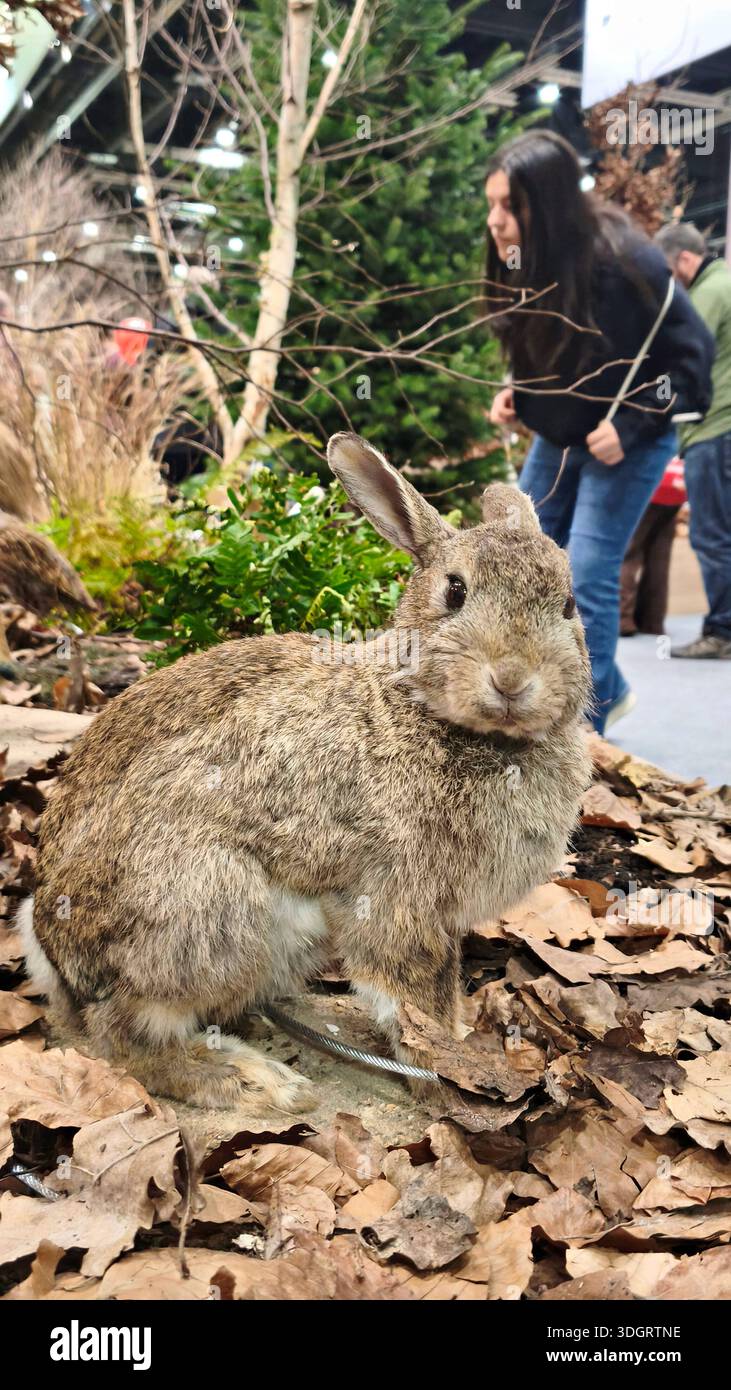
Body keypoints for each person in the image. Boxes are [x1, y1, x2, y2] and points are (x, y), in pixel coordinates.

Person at [485, 131, 714, 733]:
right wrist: (521, 393)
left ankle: (588, 733)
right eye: (492, 205)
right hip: (559, 438)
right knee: (513, 557)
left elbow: (691, 362)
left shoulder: (629, 264)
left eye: (510, 207)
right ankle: (600, 689)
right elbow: (538, 339)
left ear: (549, 205)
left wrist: (636, 422)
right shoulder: (524, 255)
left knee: (584, 573)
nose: (495, 222)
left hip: (627, 443)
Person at [655, 222, 731, 660]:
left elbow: (679, 351)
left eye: (668, 269)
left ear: (684, 259)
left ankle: (721, 629)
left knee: (710, 534)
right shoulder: (721, 284)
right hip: (716, 431)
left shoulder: (708, 293)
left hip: (713, 429)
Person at [619, 457, 686, 636]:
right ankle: (652, 621)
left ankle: (622, 620)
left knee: (627, 555)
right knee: (659, 558)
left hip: (647, 486)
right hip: (675, 490)